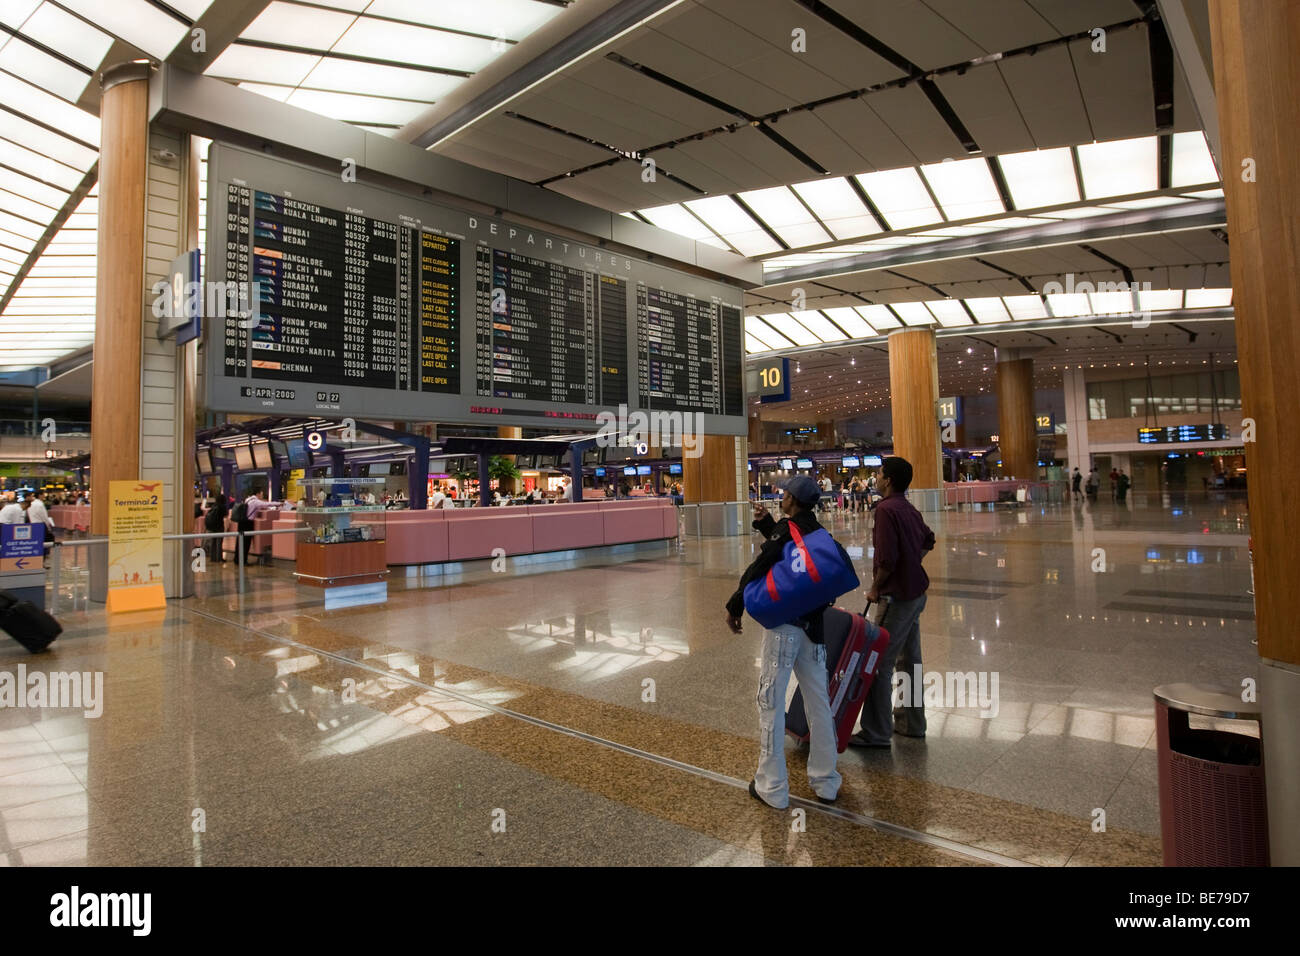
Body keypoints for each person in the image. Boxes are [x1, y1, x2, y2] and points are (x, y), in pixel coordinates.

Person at [725, 474, 849, 809]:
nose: (781, 498)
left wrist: (735, 605)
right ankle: (826, 781)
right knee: (818, 701)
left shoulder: (786, 530)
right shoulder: (818, 534)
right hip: (815, 629)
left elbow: (761, 566)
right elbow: (796, 559)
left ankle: (772, 786)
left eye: (784, 494)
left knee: (771, 701)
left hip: (784, 627)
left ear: (792, 500)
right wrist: (768, 526)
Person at [850, 456, 936, 748]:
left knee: (877, 662)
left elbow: (886, 558)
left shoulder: (886, 509)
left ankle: (876, 731)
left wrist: (875, 588)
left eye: (879, 473)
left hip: (896, 596)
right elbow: (928, 540)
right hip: (916, 593)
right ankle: (911, 724)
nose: (876, 477)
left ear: (888, 480)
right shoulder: (908, 508)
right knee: (909, 661)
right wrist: (912, 564)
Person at [204, 493, 228, 562]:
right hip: (219, 527)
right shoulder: (222, 507)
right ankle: (219, 558)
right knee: (219, 543)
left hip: (212, 527)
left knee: (213, 543)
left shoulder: (214, 506)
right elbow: (225, 516)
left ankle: (213, 558)